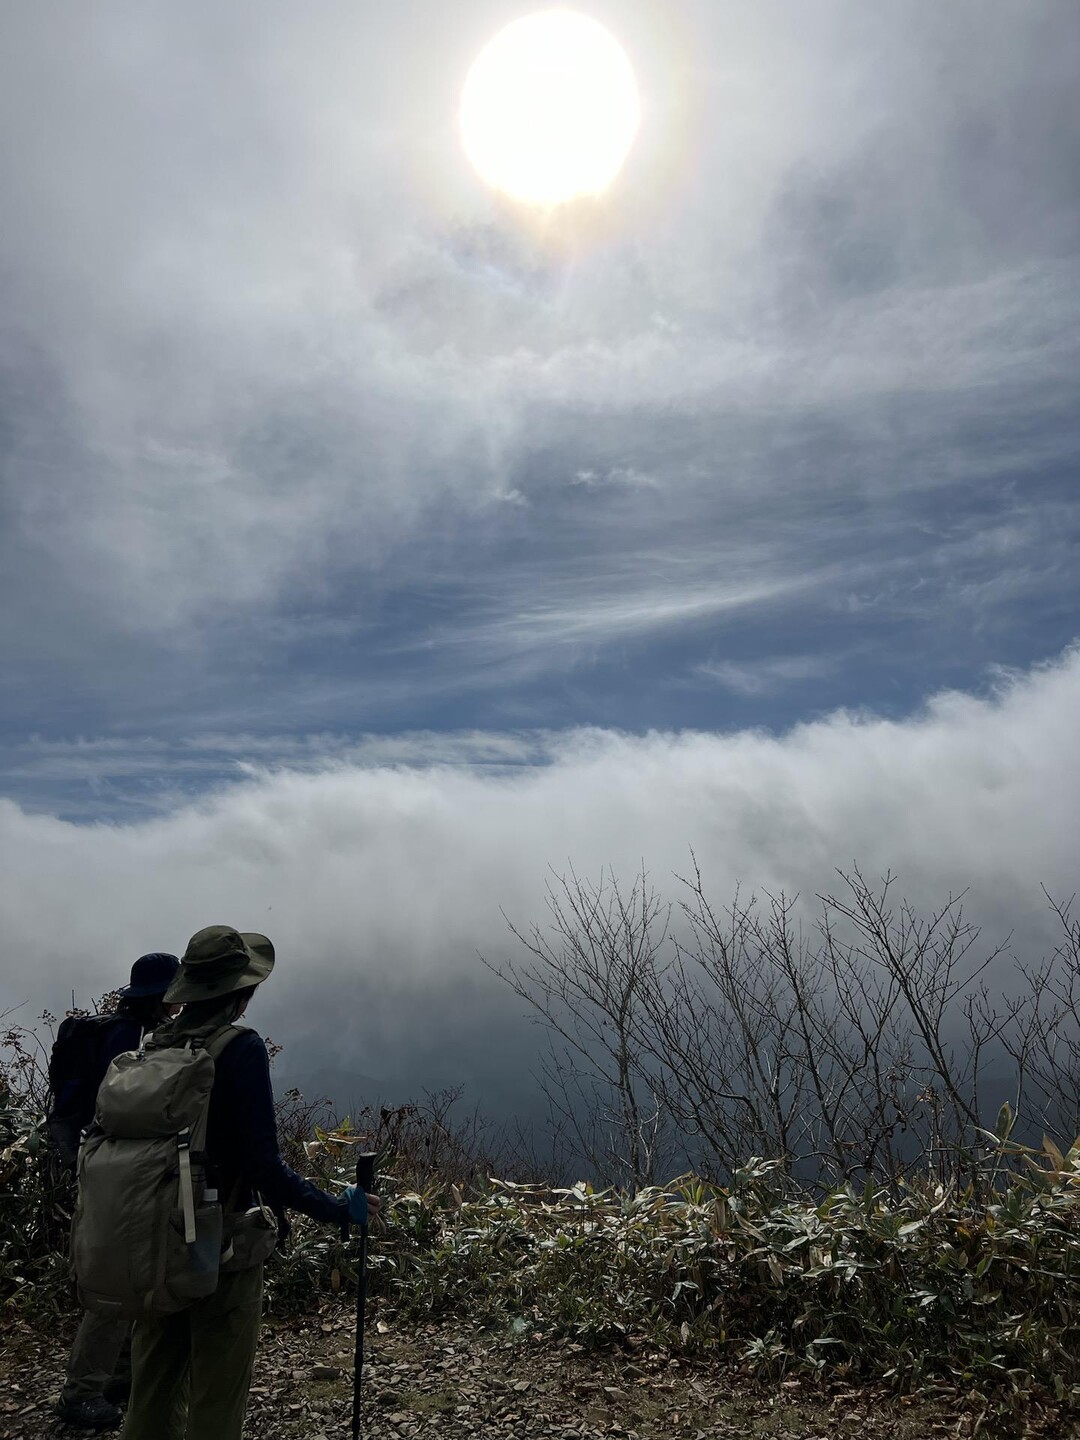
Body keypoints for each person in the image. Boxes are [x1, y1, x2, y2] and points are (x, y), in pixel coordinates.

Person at [120, 925, 378, 1440]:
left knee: (152, 1384)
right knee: (217, 1390)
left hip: (150, 1237)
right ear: (241, 993)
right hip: (220, 1244)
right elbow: (263, 1167)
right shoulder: (239, 1049)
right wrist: (335, 1207)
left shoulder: (154, 1048)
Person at [54, 952, 181, 1433]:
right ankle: (81, 1393)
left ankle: (118, 1378)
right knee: (115, 1285)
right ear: (165, 996)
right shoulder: (132, 1042)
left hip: (99, 1167)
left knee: (126, 1274)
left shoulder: (114, 1031)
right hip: (119, 1174)